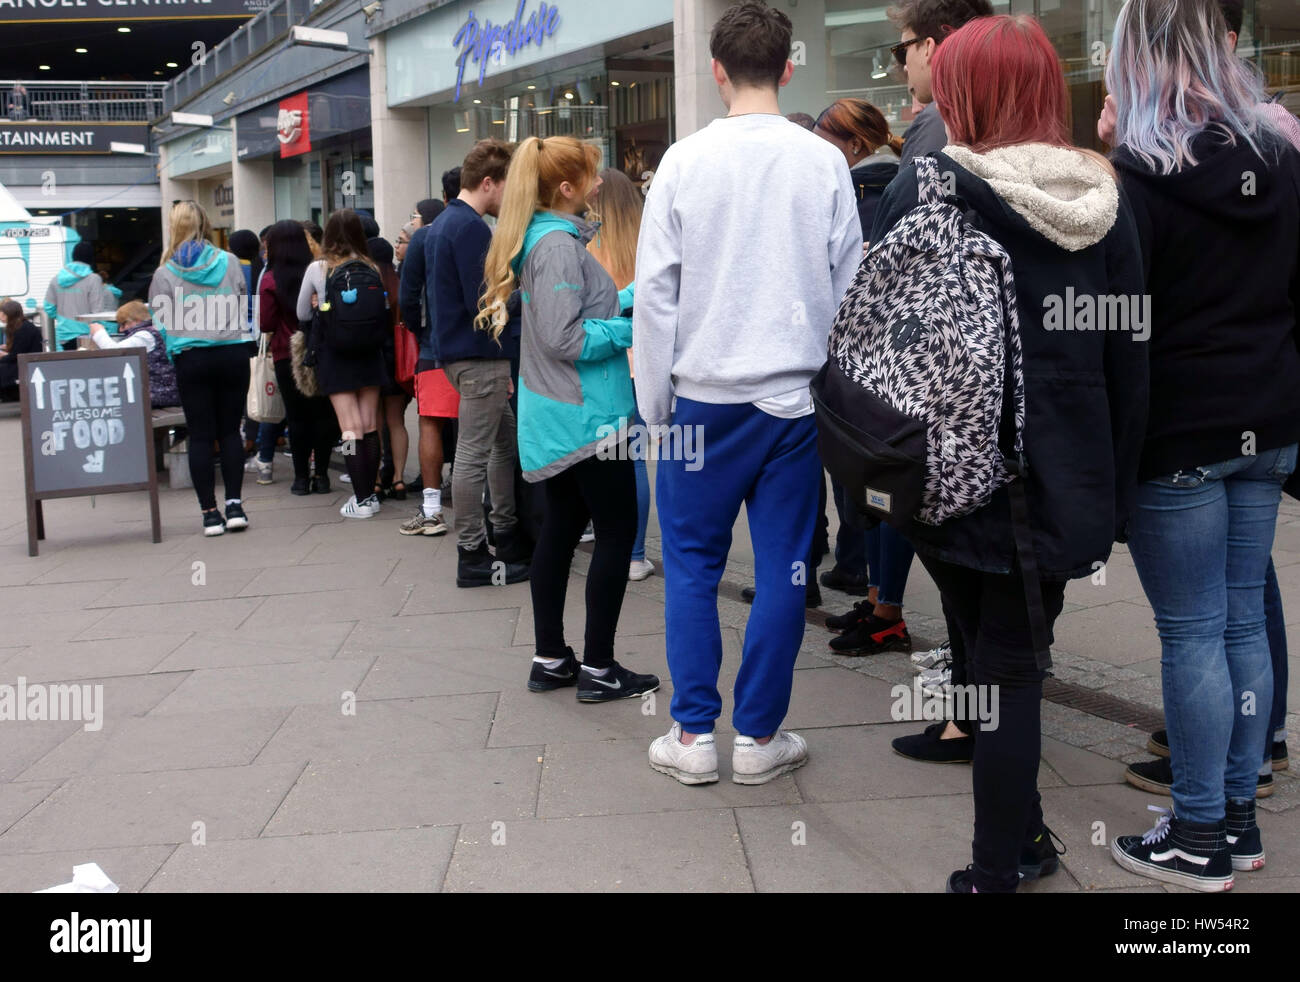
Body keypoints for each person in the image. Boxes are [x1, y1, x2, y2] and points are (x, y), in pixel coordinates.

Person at [869, 13, 1147, 892]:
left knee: (989, 658)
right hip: (1059, 476)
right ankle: (1015, 846)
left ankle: (1002, 861)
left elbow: (885, 335)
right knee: (1014, 663)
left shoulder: (926, 186)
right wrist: (1118, 488)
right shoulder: (1102, 200)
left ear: (963, 95)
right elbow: (1128, 355)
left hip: (940, 469)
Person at [636, 1, 861, 786]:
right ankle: (761, 737)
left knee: (692, 567)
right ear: (789, 66)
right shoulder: (823, 161)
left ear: (716, 69)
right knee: (786, 571)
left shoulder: (681, 161)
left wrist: (654, 403)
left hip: (701, 397)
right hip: (793, 402)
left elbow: (656, 294)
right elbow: (848, 286)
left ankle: (694, 737)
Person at [1102, 0, 1299, 893]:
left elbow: (1120, 325)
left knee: (1191, 636)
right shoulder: (1280, 159)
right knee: (1241, 621)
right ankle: (1238, 822)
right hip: (1267, 417)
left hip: (1179, 431)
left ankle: (1198, 835)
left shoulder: (1137, 174)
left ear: (1133, 57)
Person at [477, 136, 659, 703]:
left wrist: (630, 298)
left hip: (559, 414)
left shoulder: (545, 239)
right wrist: (635, 330)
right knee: (615, 532)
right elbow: (565, 337)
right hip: (587, 418)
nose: (600, 182)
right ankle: (599, 668)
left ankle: (552, 658)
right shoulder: (557, 244)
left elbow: (573, 315)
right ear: (565, 188)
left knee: (560, 530)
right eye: (591, 175)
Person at [810, 98, 923, 655]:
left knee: (878, 492)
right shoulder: (881, 187)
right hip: (884, 366)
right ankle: (880, 600)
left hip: (869, 368)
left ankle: (888, 610)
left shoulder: (870, 195)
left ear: (852, 144)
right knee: (874, 493)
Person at [421, 140, 530, 584]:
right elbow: (487, 303)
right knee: (474, 454)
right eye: (509, 188)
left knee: (502, 446)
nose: (512, 199)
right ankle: (473, 554)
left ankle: (503, 533)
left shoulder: (448, 222)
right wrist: (533, 293)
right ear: (489, 183)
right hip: (478, 357)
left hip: (464, 354)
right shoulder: (470, 228)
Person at [148, 200, 253, 536]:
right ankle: (234, 505)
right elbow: (241, 302)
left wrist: (180, 340)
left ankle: (209, 514)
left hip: (192, 357)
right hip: (232, 353)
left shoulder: (164, 273)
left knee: (201, 436)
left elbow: (160, 322)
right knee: (230, 431)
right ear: (205, 223)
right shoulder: (230, 261)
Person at [296, 210, 389, 519]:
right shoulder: (371, 266)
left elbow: (303, 314)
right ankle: (371, 496)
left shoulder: (318, 269)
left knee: (349, 430)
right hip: (369, 353)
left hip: (335, 355)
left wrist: (321, 304)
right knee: (370, 426)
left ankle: (361, 500)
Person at [587, 168, 655, 582]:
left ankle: (607, 535)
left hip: (604, 363)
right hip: (643, 363)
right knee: (635, 463)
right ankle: (635, 553)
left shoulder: (584, 246)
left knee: (602, 457)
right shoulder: (646, 242)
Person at [260, 220, 336, 496]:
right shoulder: (318, 271)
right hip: (320, 349)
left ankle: (301, 479)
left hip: (285, 353)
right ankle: (324, 476)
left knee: (297, 417)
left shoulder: (270, 279)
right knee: (323, 414)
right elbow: (327, 306)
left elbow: (266, 322)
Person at [398, 213, 459, 539]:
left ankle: (433, 510)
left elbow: (407, 295)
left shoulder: (424, 238)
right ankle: (479, 506)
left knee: (431, 422)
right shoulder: (482, 229)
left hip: (434, 348)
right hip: (479, 350)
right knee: (475, 431)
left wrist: (419, 330)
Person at [889, 0, 993, 165]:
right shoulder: (996, 108)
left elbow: (922, 191)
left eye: (903, 52)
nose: (905, 67)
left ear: (928, 48)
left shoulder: (938, 120)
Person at [368, 235, 413, 501]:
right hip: (397, 359)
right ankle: (398, 479)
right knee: (397, 422)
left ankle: (374, 480)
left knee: (373, 423)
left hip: (373, 359)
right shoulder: (400, 284)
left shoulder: (369, 284)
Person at [87, 301, 180, 408]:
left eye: (123, 324)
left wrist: (99, 332)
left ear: (137, 320)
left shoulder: (145, 336)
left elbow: (115, 352)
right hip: (162, 391)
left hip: (160, 393)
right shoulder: (151, 331)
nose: (121, 329)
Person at [44, 240, 117, 351]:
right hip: (87, 335)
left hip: (64, 334)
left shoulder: (56, 279)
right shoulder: (94, 279)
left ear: (73, 256)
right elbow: (97, 311)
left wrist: (63, 318)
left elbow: (49, 308)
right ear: (91, 258)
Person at [0, 300, 43, 401]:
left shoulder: (22, 329)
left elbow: (15, 356)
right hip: (26, 362)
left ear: (9, 314)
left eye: (2, 314)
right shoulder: (23, 326)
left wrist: (2, 356)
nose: (0, 316)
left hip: (27, 365)